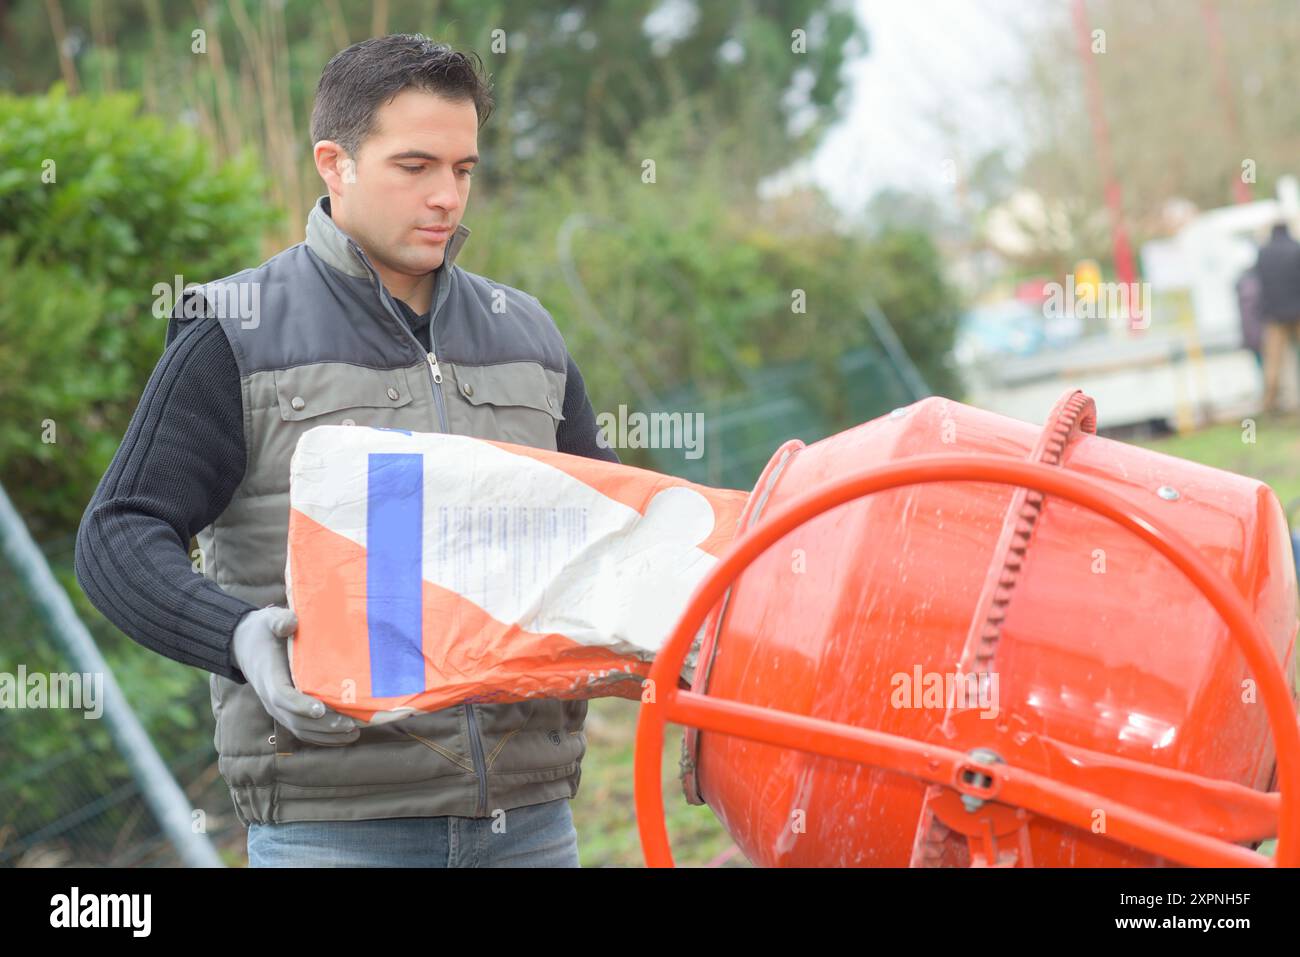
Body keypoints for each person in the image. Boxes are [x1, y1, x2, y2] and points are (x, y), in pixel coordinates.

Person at [74, 34, 619, 867]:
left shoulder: (531, 334)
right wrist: (239, 634)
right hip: (332, 828)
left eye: (464, 169)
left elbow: (611, 531)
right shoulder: (234, 330)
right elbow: (118, 533)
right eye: (415, 166)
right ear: (336, 163)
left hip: (532, 821)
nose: (446, 196)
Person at [1254, 220, 1300, 414]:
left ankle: (1269, 406)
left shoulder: (1263, 253)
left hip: (1274, 317)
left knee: (1273, 363)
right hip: (1298, 311)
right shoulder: (1296, 249)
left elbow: (1259, 283)